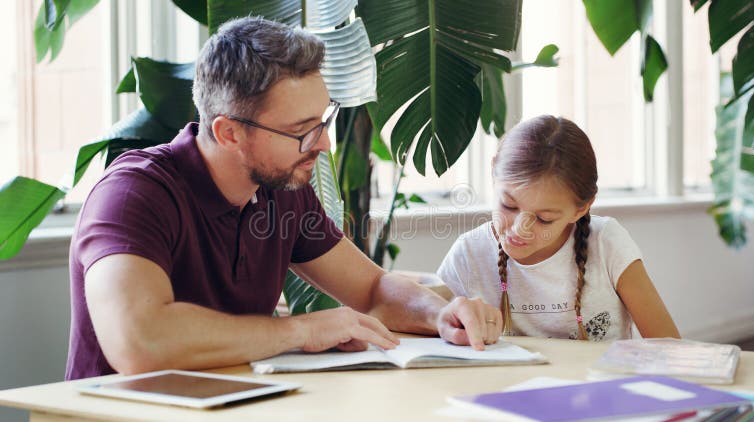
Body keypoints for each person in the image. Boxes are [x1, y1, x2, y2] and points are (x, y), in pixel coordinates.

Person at [65, 16, 501, 380]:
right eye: (301, 131)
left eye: (323, 121)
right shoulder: (132, 194)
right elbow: (140, 342)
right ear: (228, 132)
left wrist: (440, 313)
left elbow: (372, 289)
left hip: (234, 405)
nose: (324, 144)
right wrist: (300, 331)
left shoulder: (281, 189)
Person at [437, 115, 680, 340]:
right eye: (509, 206)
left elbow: (668, 347)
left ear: (581, 209)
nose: (521, 229)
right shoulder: (468, 253)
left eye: (544, 218)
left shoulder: (606, 243)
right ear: (493, 173)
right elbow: (432, 332)